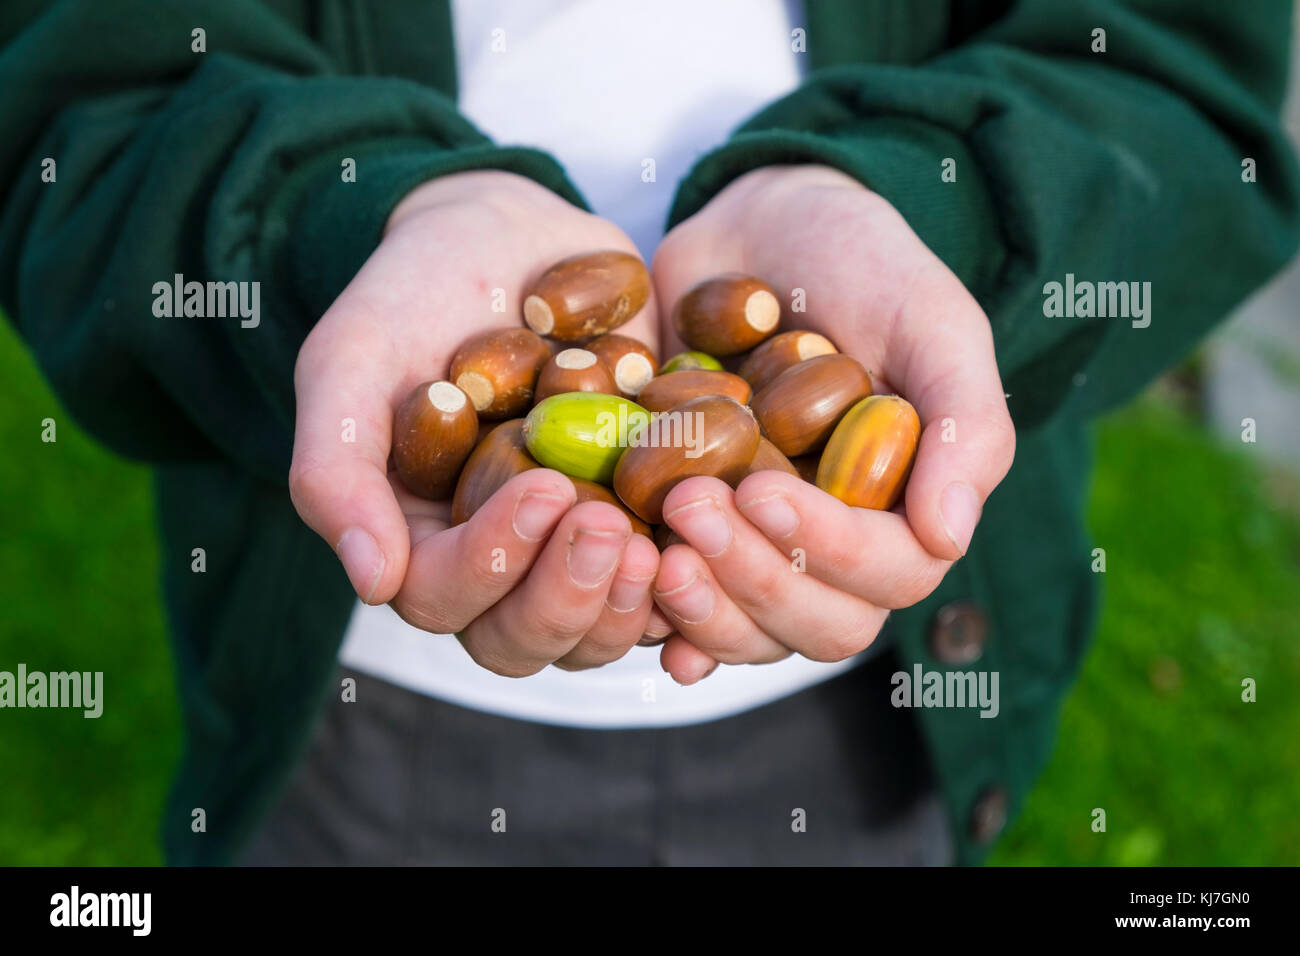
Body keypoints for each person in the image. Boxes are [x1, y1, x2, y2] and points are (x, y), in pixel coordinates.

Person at [2, 0, 1295, 866]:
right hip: (349, 715)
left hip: (873, 727)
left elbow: (1170, 70)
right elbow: (84, 99)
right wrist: (343, 227)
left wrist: (927, 210)